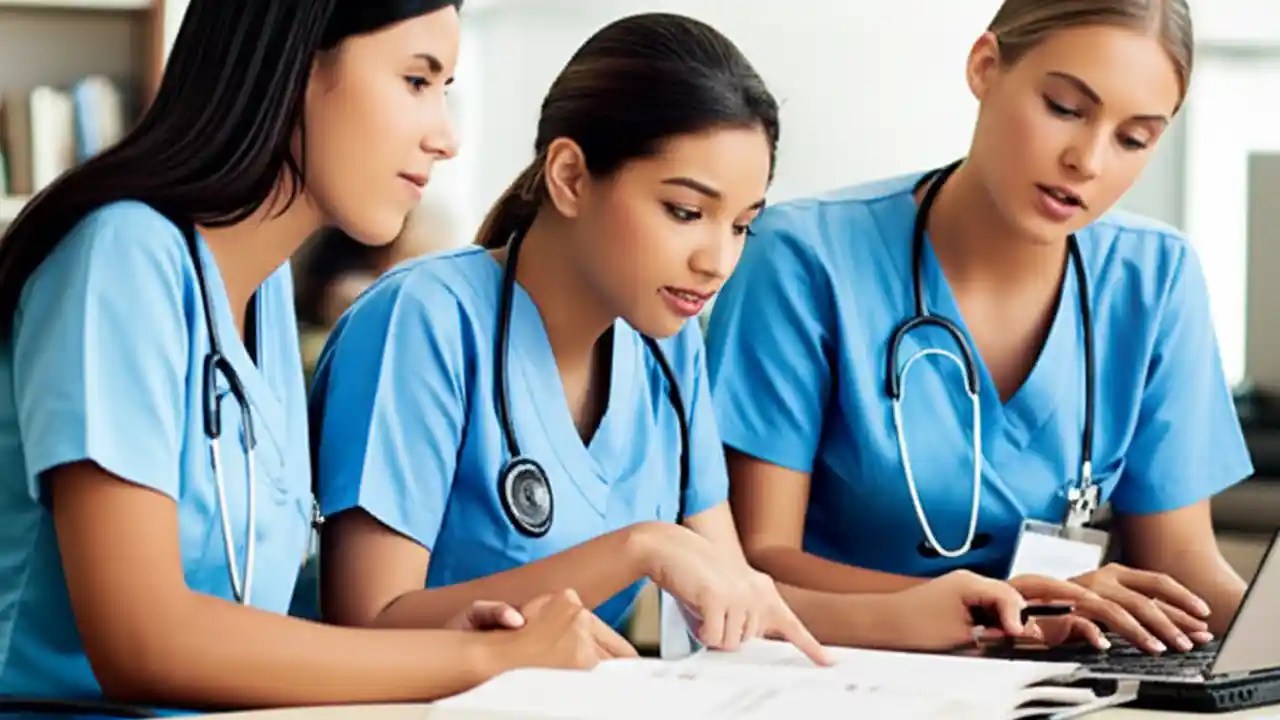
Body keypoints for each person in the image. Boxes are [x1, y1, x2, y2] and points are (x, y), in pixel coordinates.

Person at [310, 11, 1041, 661]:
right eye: (686, 212)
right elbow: (366, 623)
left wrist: (929, 612)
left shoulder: (666, 343)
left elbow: (732, 599)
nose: (717, 260)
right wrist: (640, 549)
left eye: (742, 224)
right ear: (569, 176)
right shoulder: (424, 321)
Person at [0, 0, 630, 710]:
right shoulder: (121, 259)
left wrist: (443, 639)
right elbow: (143, 642)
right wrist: (478, 657)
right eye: (416, 82)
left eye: (445, 90)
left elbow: (246, 613)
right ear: (295, 63)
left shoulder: (265, 292)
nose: (445, 138)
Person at [705, 0, 1252, 657]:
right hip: (831, 669)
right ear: (985, 66)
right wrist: (978, 609)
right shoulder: (800, 257)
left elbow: (1184, 566)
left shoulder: (1156, 277)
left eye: (1133, 139)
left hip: (1043, 675)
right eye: (1064, 108)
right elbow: (754, 560)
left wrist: (1262, 627)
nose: (1088, 160)